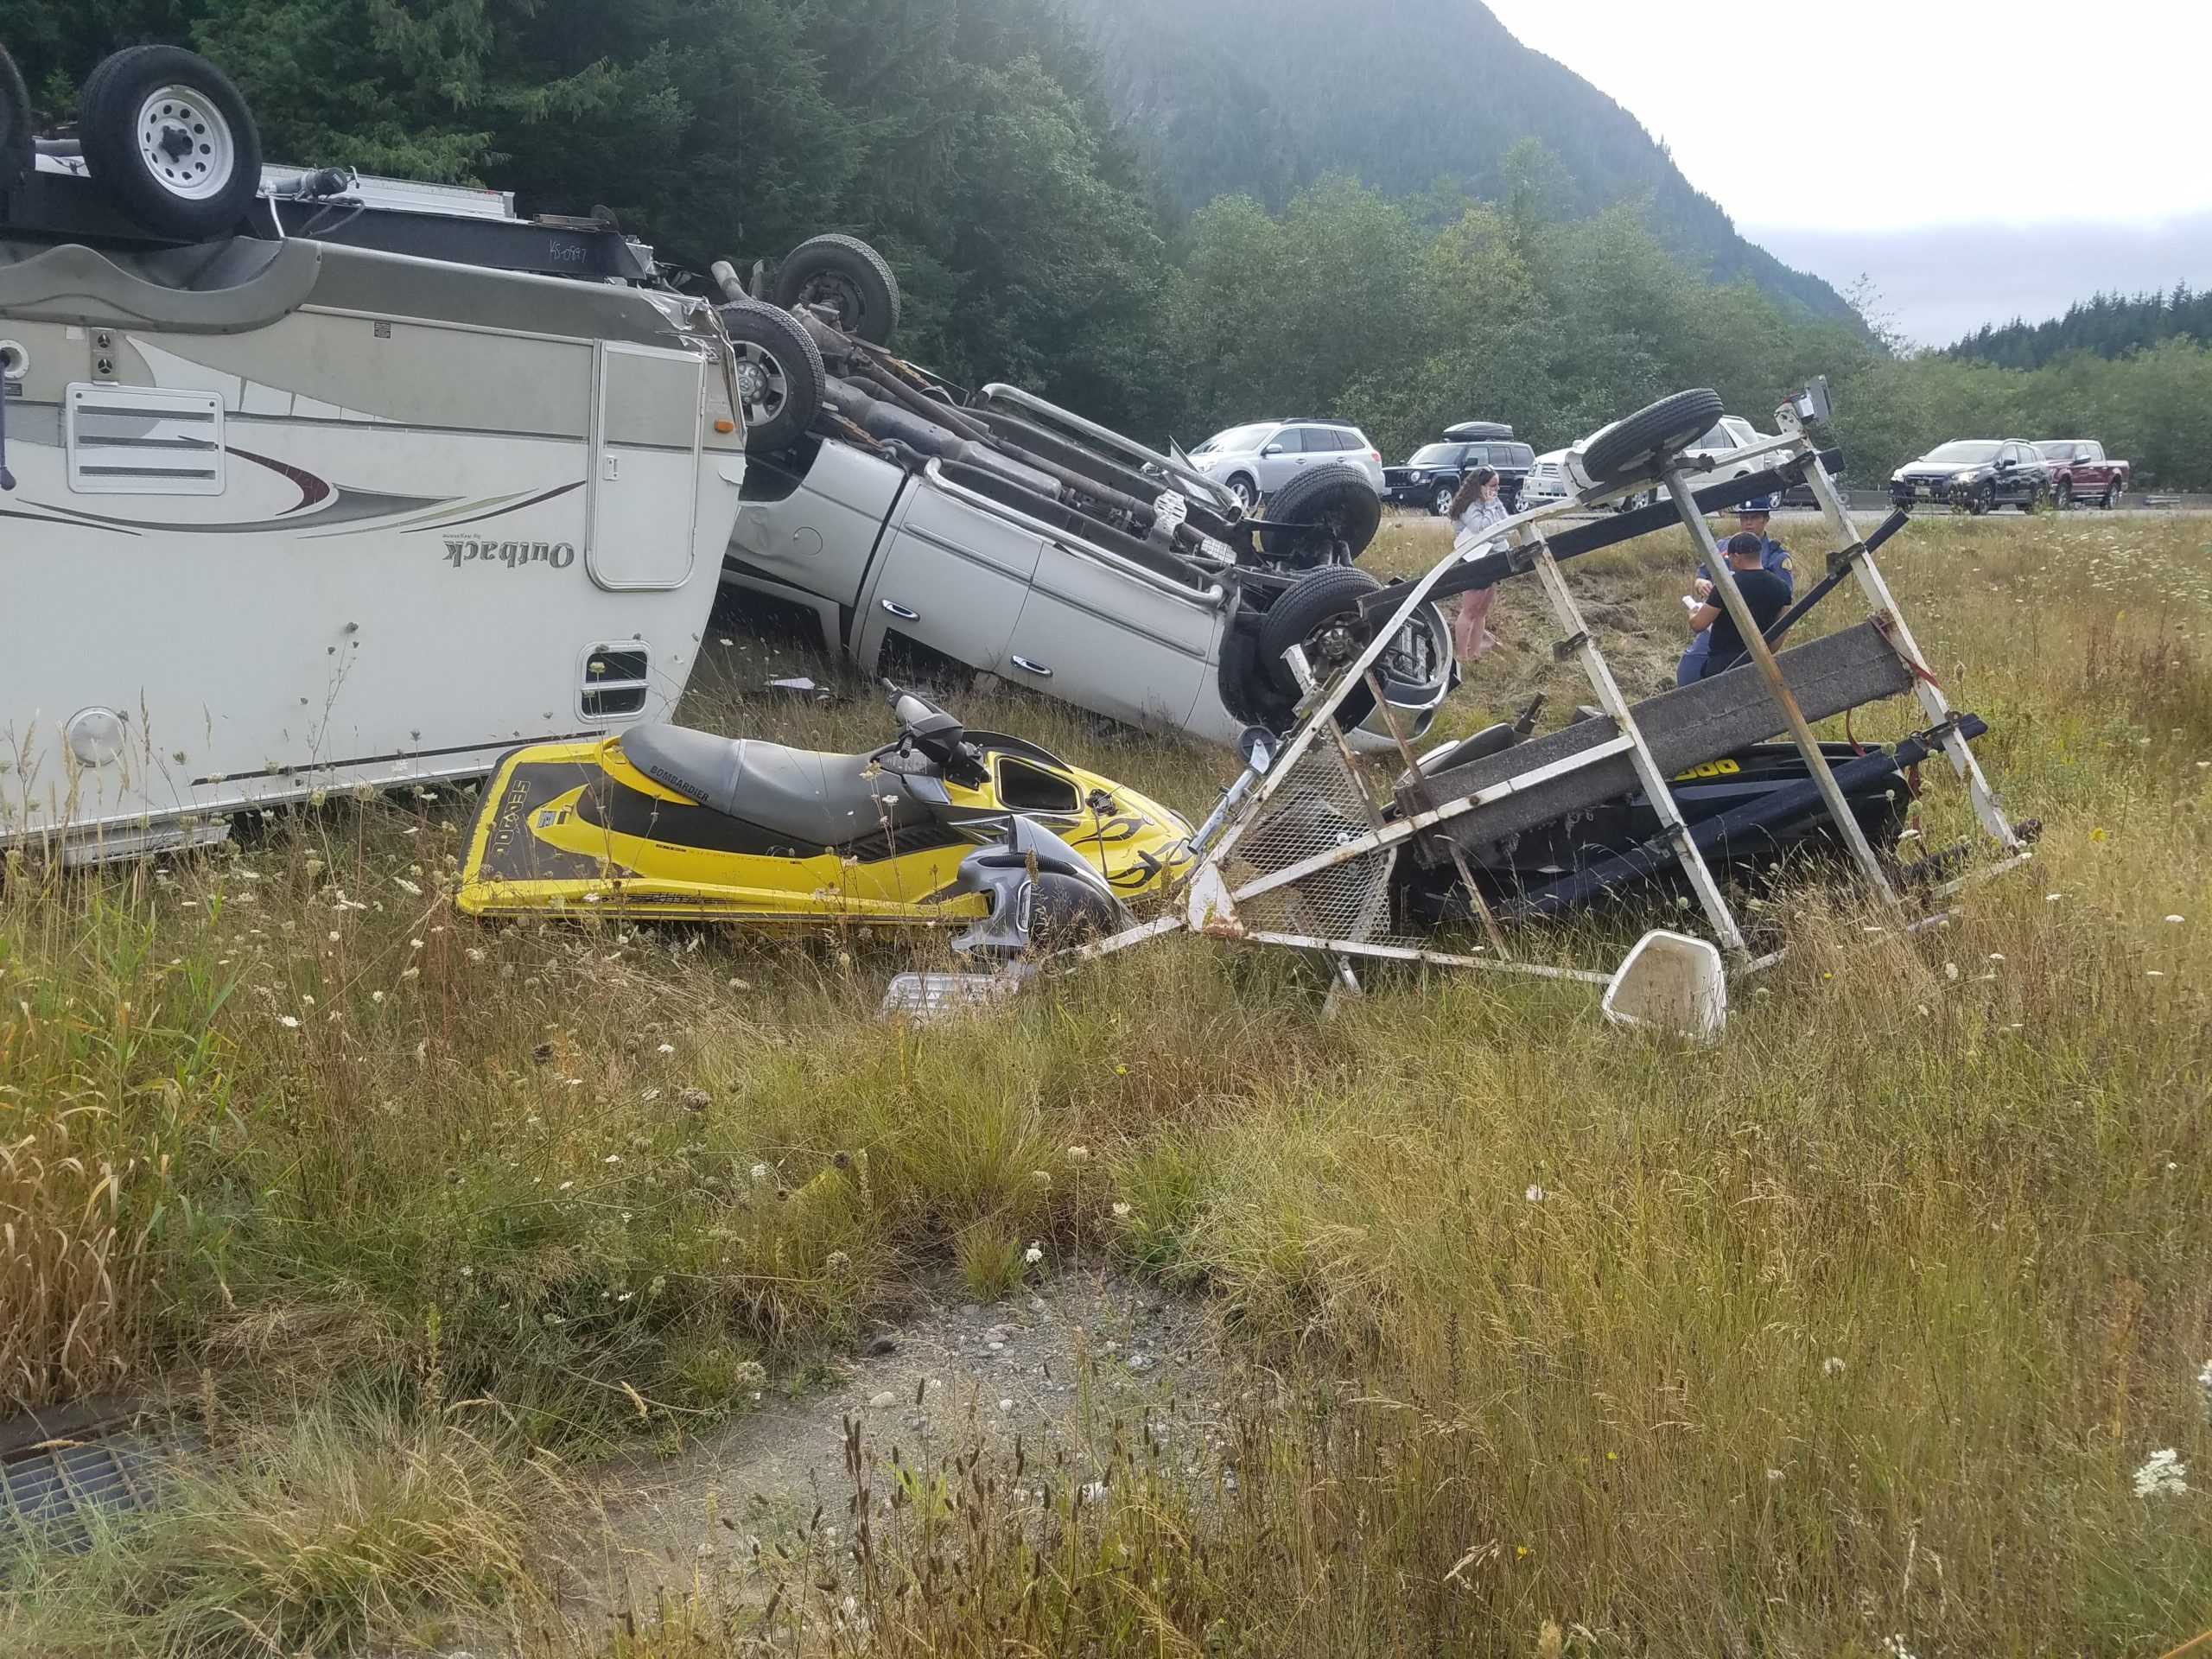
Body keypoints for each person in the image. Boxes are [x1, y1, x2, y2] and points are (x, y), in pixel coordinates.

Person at [1675, 496, 1796, 685]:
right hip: (1715, 625)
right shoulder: (1724, 546)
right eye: (1744, 518)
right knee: (1689, 671)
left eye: (1754, 517)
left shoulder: (1775, 556)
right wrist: (1700, 581)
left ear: (1766, 519)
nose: (1748, 522)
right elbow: (1703, 572)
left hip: (1752, 633)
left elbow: (1783, 604)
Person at [1446, 466, 1508, 661]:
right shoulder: (1468, 506)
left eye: (1498, 486)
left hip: (1493, 557)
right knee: (1469, 611)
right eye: (1492, 486)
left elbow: (1506, 527)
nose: (1496, 490)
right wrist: (1489, 508)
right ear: (1479, 486)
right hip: (1475, 560)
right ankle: (1462, 655)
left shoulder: (1494, 502)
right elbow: (1482, 529)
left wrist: (1493, 508)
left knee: (1482, 611)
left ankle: (1475, 653)